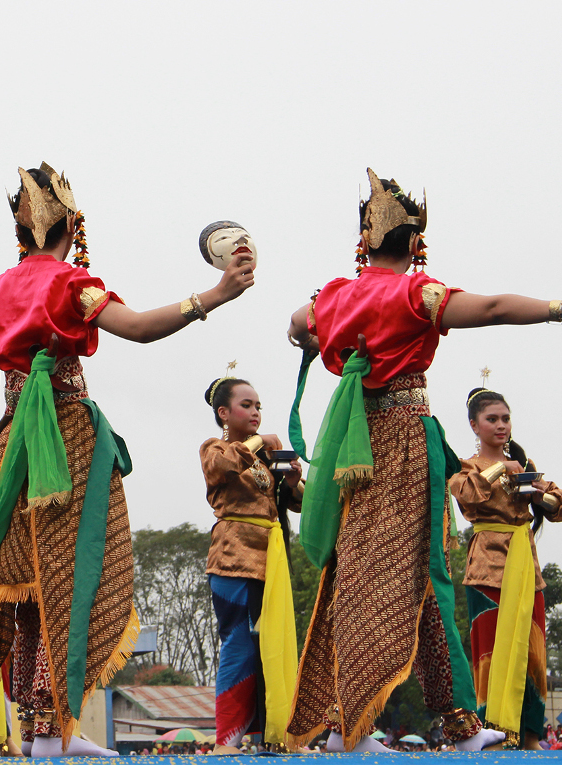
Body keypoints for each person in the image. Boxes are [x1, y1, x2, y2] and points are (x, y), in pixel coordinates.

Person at [0, 164, 254, 756]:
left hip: (12, 437)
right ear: (71, 225)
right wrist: (216, 295)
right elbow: (140, 329)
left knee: (24, 586)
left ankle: (40, 730)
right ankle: (54, 730)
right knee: (71, 579)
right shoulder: (74, 284)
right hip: (65, 436)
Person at [284, 169, 562, 752]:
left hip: (354, 441)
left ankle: (458, 723)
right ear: (415, 243)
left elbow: (297, 324)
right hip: (404, 440)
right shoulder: (416, 293)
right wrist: (556, 309)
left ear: (364, 240)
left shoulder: (333, 295)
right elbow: (488, 307)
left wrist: (315, 335)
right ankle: (347, 725)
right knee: (377, 576)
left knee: (418, 572)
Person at [449, 388, 561, 749]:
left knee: (532, 653)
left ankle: (529, 737)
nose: (500, 425)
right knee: (491, 653)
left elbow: (558, 505)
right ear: (474, 425)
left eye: (505, 418)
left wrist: (537, 495)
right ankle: (493, 734)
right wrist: (500, 469)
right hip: (486, 571)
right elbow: (467, 495)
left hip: (527, 571)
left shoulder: (525, 466)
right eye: (492, 419)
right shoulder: (465, 467)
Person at [201, 377, 301, 754]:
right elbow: (219, 467)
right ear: (224, 413)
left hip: (270, 561)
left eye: (258, 405)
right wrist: (259, 443)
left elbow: (298, 503)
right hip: (232, 558)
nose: (256, 411)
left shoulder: (261, 459)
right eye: (247, 405)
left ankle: (269, 735)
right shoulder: (215, 448)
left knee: (270, 647)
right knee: (239, 644)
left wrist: (291, 480)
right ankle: (227, 737)